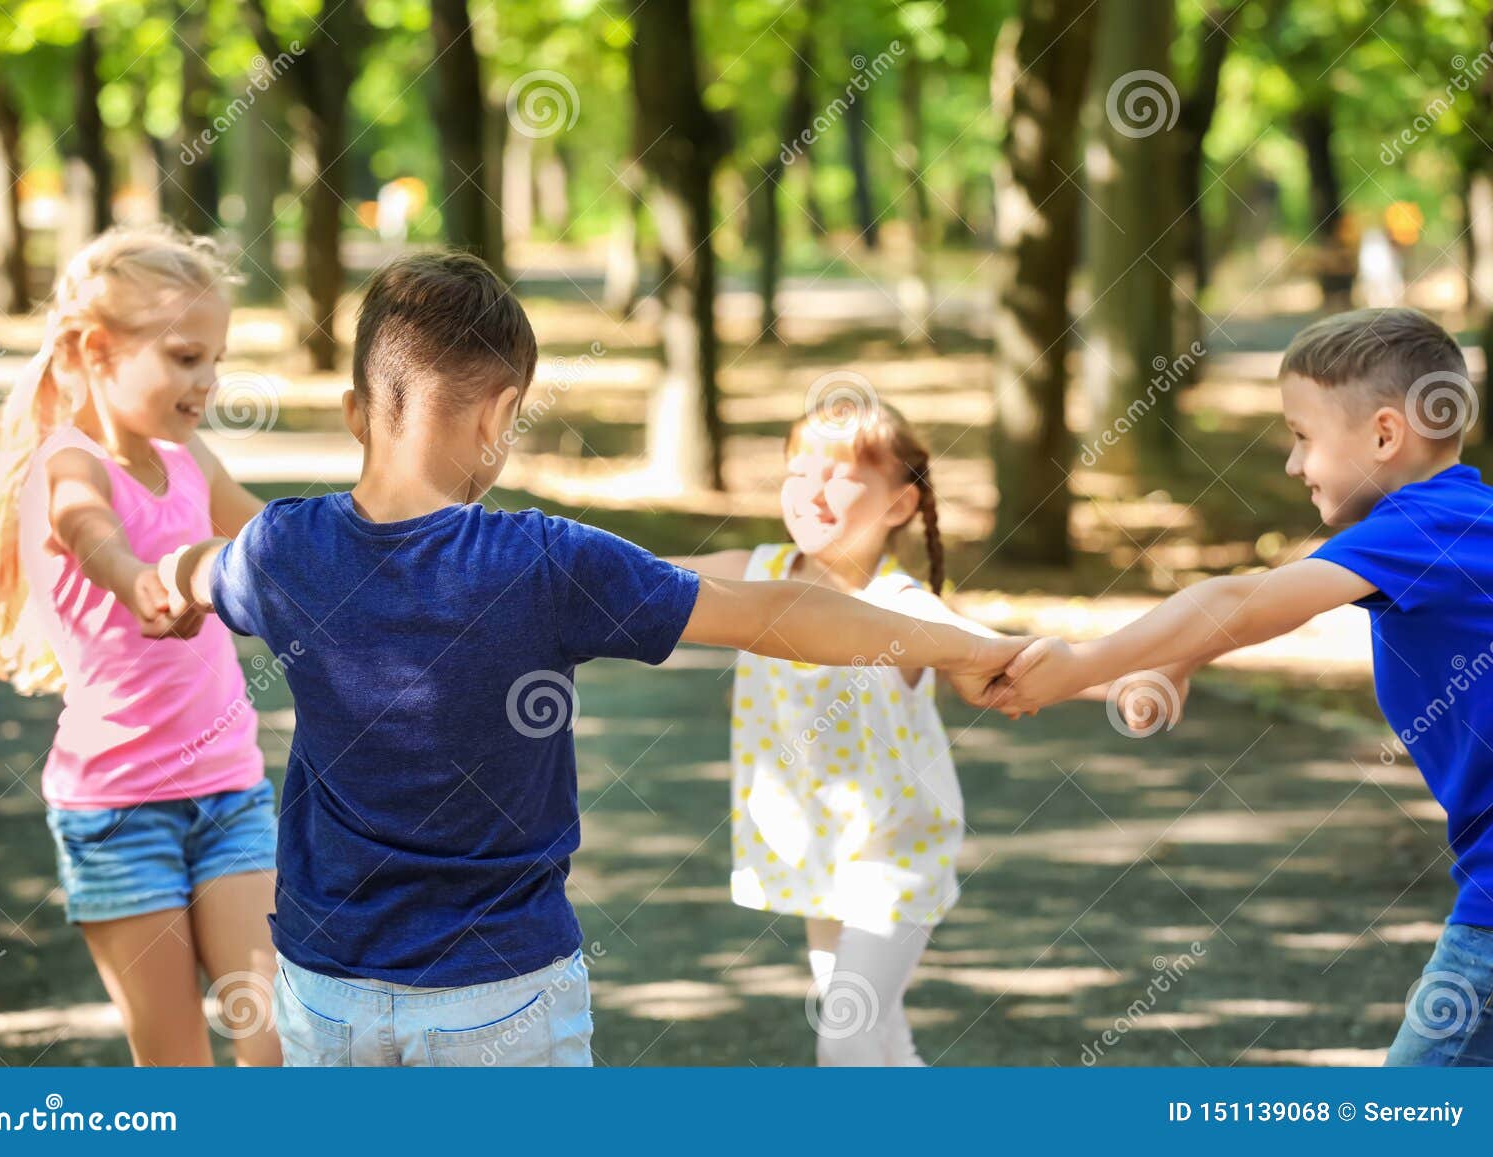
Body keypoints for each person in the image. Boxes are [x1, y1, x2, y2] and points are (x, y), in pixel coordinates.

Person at [157, 251, 1031, 1067]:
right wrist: (966, 646)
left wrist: (153, 578)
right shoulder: (546, 559)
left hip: (325, 989)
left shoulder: (281, 548)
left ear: (356, 412)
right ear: (501, 415)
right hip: (501, 993)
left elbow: (198, 570)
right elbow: (773, 612)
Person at [988, 307, 1493, 1067]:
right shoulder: (1450, 519)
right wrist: (1175, 662)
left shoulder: (1426, 529)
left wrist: (1077, 666)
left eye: (1302, 436)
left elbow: (1237, 600)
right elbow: (1271, 605)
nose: (1293, 465)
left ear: (1387, 435)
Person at [675, 401, 1114, 1064]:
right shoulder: (755, 572)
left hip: (894, 861)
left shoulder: (902, 604)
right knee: (879, 1038)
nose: (812, 491)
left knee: (846, 1043)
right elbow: (631, 571)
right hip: (815, 856)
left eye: (841, 475)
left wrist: (1128, 674)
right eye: (798, 471)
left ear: (900, 505)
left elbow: (1007, 653)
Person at [0, 226, 280, 1066]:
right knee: (176, 1065)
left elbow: (264, 529)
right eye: (184, 357)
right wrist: (136, 578)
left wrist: (357, 546)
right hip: (117, 813)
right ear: (98, 351)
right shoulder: (69, 461)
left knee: (278, 1040)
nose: (208, 380)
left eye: (215, 358)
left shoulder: (186, 454)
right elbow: (84, 525)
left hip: (230, 794)